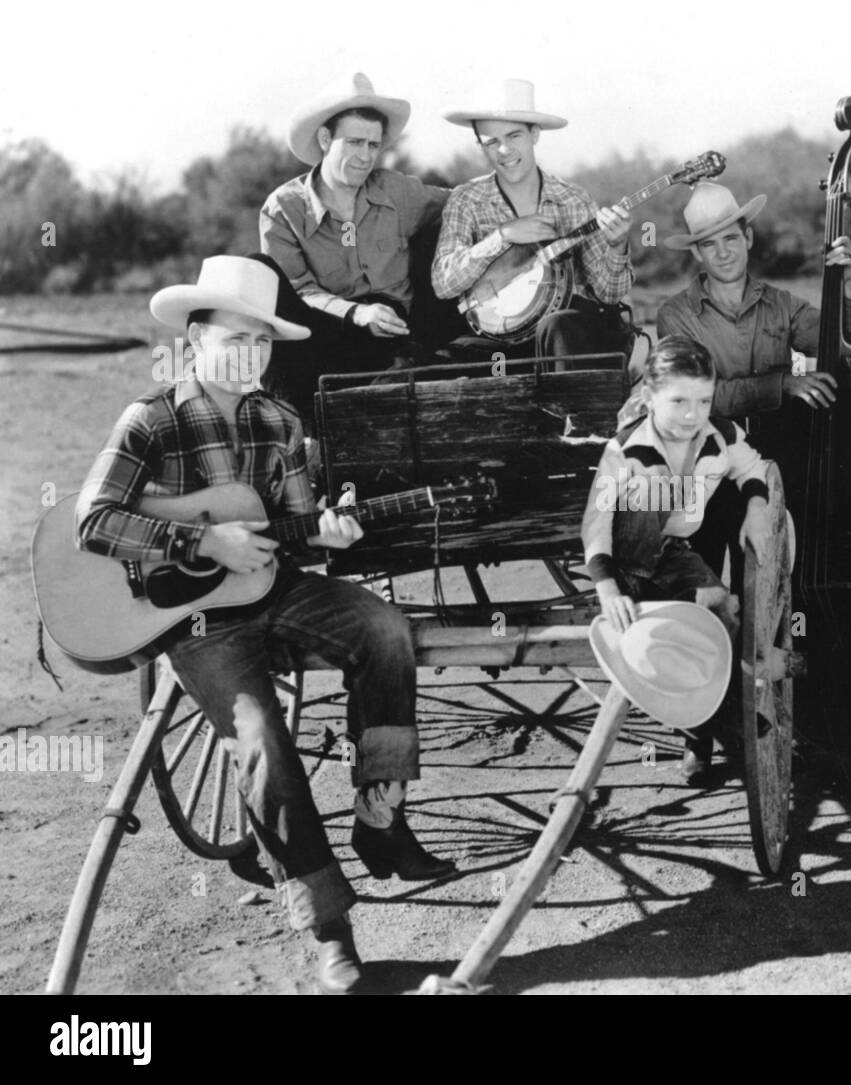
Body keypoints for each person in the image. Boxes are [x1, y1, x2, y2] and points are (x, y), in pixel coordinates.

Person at [75, 256, 455, 994]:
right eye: (237, 337)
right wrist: (201, 541)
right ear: (193, 341)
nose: (254, 355)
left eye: (266, 341)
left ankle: (380, 816)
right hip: (199, 623)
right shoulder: (150, 421)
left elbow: (295, 525)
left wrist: (330, 533)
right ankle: (330, 930)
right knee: (260, 741)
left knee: (385, 629)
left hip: (277, 590)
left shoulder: (279, 420)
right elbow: (93, 519)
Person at [652, 182, 851, 776]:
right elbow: (693, 397)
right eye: (707, 244)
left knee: (768, 593)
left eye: (730, 237)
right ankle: (696, 733)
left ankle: (768, 714)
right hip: (700, 471)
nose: (722, 252)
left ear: (747, 238)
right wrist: (780, 386)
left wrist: (847, 290)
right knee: (700, 595)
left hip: (768, 469)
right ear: (695, 254)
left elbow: (844, 351)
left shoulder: (781, 304)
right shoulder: (676, 314)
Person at [580, 335, 770, 777]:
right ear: (649, 398)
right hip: (629, 554)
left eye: (704, 401)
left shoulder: (719, 435)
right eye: (679, 401)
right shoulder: (626, 449)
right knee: (645, 491)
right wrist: (608, 588)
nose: (692, 414)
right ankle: (715, 729)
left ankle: (704, 721)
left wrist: (757, 507)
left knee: (720, 606)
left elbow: (753, 466)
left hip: (670, 552)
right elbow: (596, 521)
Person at [260, 72, 452, 426]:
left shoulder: (398, 191)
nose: (365, 156)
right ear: (324, 138)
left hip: (403, 331)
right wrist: (355, 313)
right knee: (261, 276)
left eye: (373, 145)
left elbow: (463, 203)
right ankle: (303, 441)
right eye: (353, 142)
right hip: (331, 331)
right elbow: (296, 290)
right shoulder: (283, 209)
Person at [432, 79, 633, 361]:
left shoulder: (573, 199)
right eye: (491, 142)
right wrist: (501, 237)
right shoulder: (466, 199)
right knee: (444, 359)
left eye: (514, 136)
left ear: (534, 134)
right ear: (480, 145)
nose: (504, 151)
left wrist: (617, 247)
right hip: (498, 342)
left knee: (560, 328)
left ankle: (569, 405)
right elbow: (444, 284)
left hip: (566, 340)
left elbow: (609, 295)